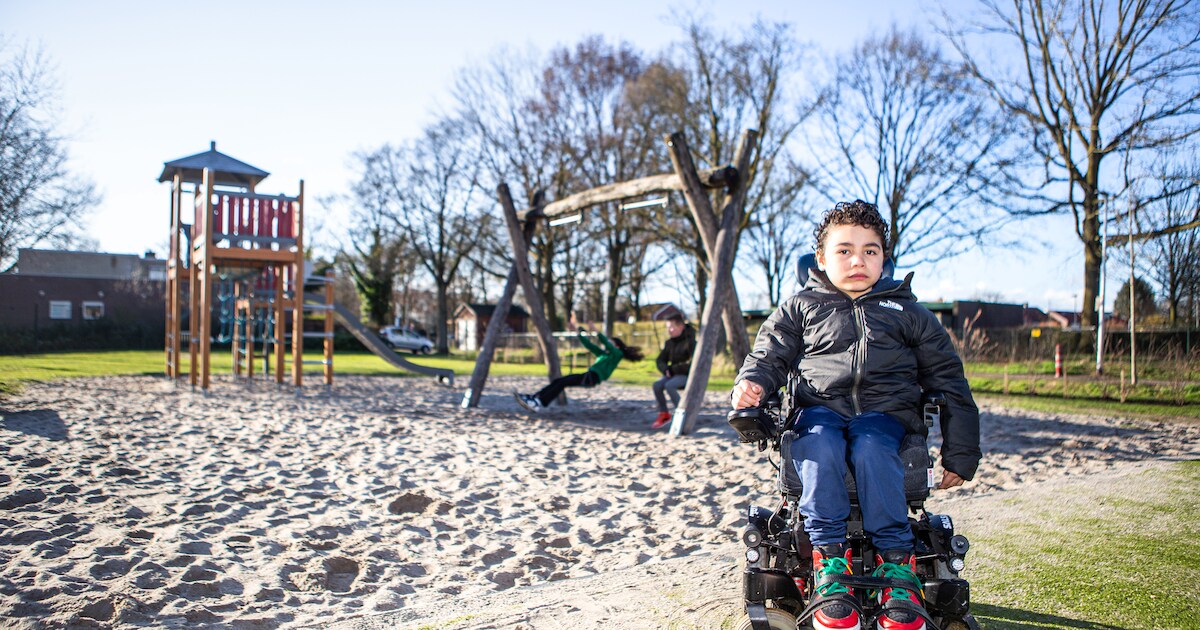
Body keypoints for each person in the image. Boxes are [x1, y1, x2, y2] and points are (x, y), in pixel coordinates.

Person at [730, 200, 981, 630]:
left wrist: (960, 453)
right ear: (822, 259)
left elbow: (950, 381)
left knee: (869, 443)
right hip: (818, 413)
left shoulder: (910, 313)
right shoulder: (801, 307)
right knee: (821, 439)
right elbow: (767, 355)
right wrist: (752, 383)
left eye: (870, 251)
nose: (857, 260)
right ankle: (829, 562)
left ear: (884, 258)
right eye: (844, 250)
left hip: (885, 418)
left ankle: (897, 566)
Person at [515, 328, 644, 411]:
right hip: (588, 375)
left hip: (592, 378)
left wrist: (597, 332)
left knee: (561, 382)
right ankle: (535, 398)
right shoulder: (603, 354)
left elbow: (606, 343)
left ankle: (538, 402)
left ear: (616, 346)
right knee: (559, 381)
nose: (607, 344)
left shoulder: (617, 355)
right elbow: (589, 345)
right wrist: (579, 334)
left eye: (611, 343)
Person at [651, 314, 696, 429]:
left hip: (687, 375)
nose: (669, 330)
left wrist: (673, 369)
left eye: (671, 327)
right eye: (667, 327)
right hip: (673, 374)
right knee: (657, 385)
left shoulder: (691, 342)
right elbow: (660, 360)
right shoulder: (669, 343)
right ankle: (664, 414)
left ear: (680, 327)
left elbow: (692, 364)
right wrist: (665, 369)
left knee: (669, 385)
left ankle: (681, 412)